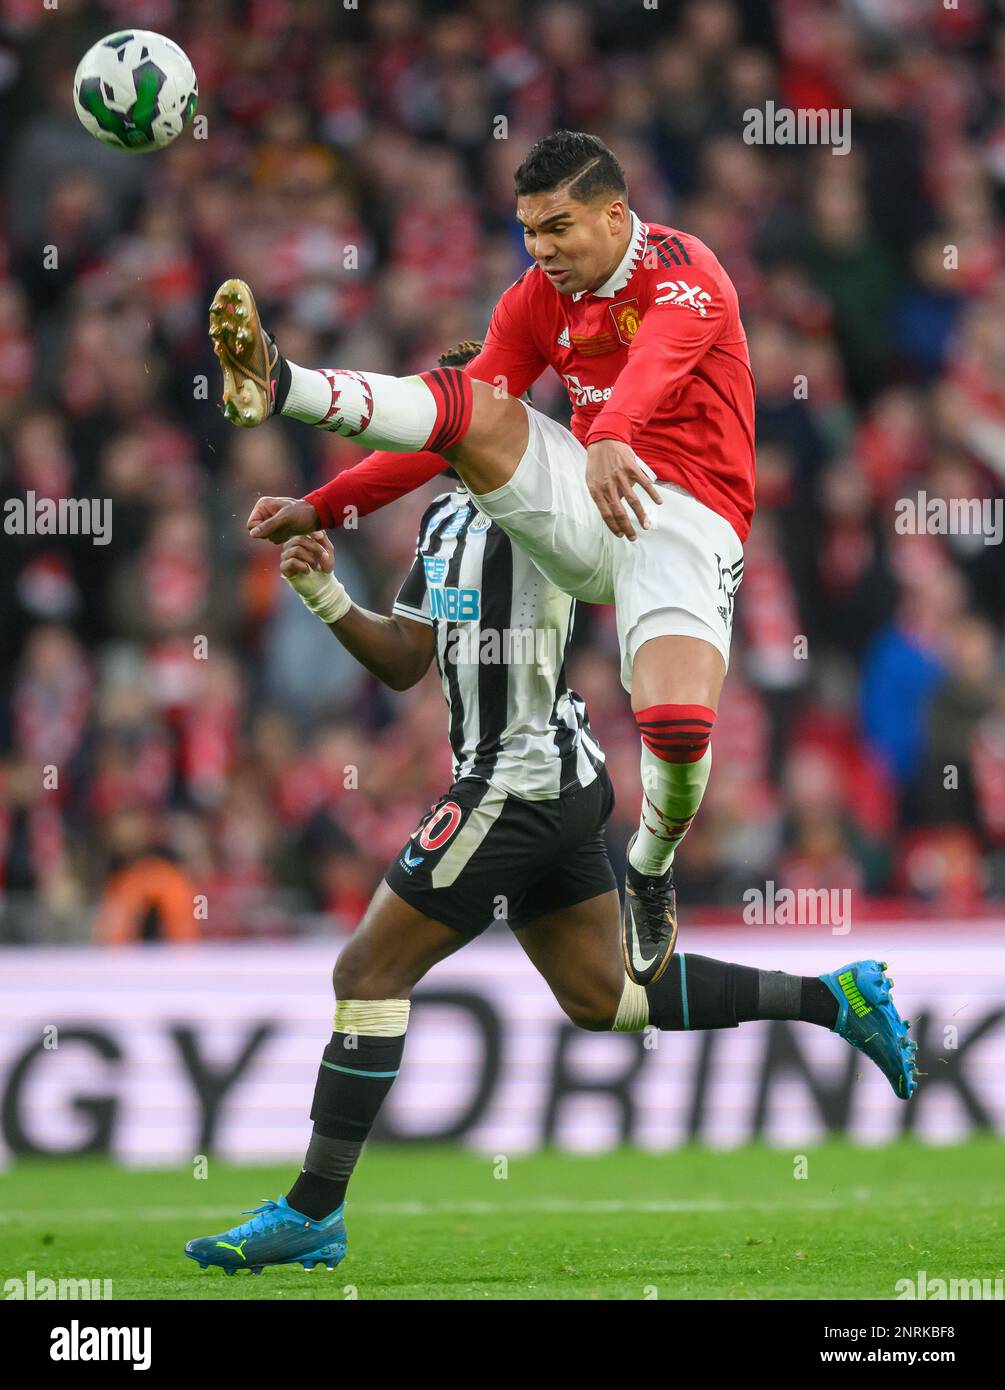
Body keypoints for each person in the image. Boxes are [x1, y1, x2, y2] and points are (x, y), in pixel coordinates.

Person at [183, 343, 917, 1279]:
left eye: (440, 405)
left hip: (517, 779)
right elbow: (408, 658)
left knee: (367, 969)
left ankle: (312, 1210)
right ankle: (832, 998)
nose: (430, 419)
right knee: (604, 998)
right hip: (546, 777)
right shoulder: (444, 518)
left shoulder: (546, 499)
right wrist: (325, 593)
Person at [213, 130, 753, 989]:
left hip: (684, 524)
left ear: (616, 217)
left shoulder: (688, 274)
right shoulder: (534, 299)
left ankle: (649, 869)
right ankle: (283, 383)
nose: (541, 252)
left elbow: (653, 363)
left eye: (559, 229)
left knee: (679, 733)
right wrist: (324, 505)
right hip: (589, 499)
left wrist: (610, 432)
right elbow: (445, 431)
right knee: (473, 404)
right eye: (529, 232)